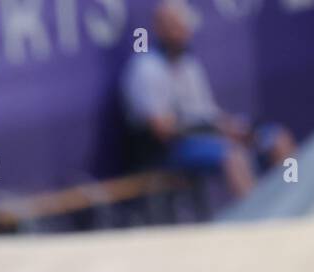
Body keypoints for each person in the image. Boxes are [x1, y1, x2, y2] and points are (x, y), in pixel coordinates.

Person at [120, 1, 296, 197]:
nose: (180, 33)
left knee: (277, 138)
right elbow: (162, 129)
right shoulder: (145, 69)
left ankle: (294, 207)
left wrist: (232, 128)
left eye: (182, 27)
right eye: (173, 27)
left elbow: (207, 113)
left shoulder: (189, 64)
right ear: (159, 29)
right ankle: (257, 222)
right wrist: (216, 132)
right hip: (167, 151)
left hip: (207, 135)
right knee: (234, 154)